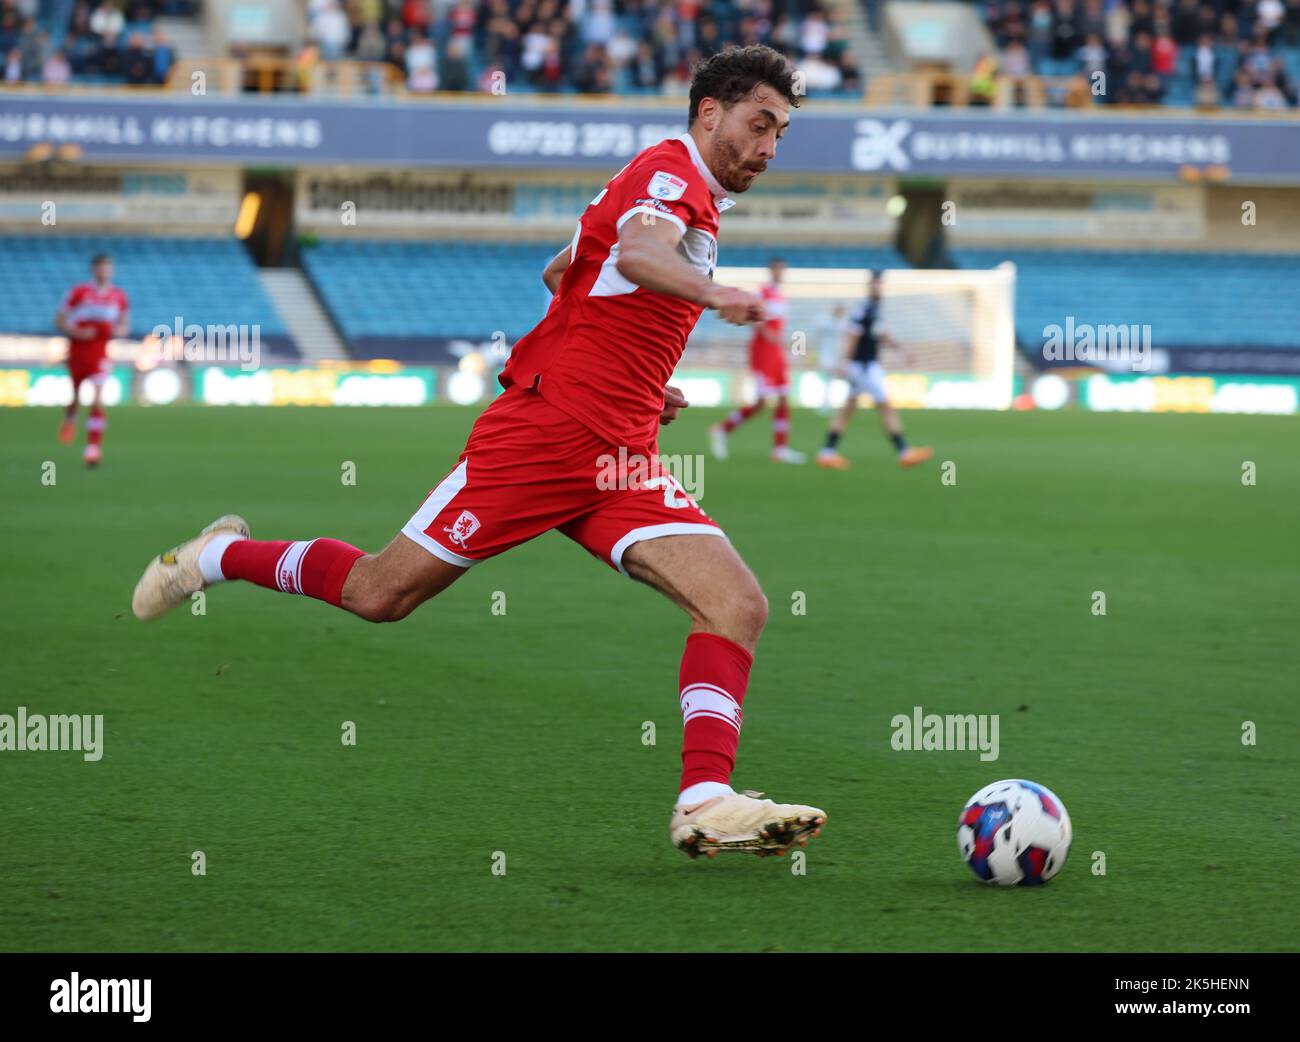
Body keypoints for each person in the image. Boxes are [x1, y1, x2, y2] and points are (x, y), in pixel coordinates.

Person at [131, 46, 827, 861]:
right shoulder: (670, 175)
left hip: (617, 453)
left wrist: (639, 379)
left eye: (780, 131)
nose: (770, 147)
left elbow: (567, 267)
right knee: (379, 594)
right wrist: (718, 294)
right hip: (545, 437)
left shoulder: (682, 192)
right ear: (710, 114)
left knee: (736, 603)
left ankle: (705, 800)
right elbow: (636, 256)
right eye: (759, 124)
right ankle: (216, 556)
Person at [817, 270, 933, 470]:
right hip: (862, 367)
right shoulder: (863, 309)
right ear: (870, 286)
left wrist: (901, 350)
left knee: (848, 410)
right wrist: (844, 362)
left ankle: (827, 452)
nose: (879, 288)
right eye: (876, 284)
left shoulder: (874, 308)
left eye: (881, 284)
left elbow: (881, 334)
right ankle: (904, 452)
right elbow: (853, 336)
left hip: (866, 366)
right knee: (884, 406)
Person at [709, 258, 806, 463]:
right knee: (762, 401)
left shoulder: (780, 297)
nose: (781, 272)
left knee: (783, 398)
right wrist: (767, 334)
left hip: (777, 353)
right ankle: (722, 429)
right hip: (763, 353)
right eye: (778, 268)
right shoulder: (763, 293)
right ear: (771, 270)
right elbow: (755, 320)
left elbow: (780, 327)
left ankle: (780, 448)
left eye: (783, 269)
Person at [55, 253, 128, 467]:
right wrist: (77, 332)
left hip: (100, 352)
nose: (104, 272)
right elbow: (59, 320)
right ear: (93, 270)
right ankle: (70, 420)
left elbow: (124, 325)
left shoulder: (118, 296)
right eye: (101, 269)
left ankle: (92, 448)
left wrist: (117, 331)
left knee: (97, 399)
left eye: (108, 269)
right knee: (76, 397)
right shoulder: (79, 292)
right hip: (78, 350)